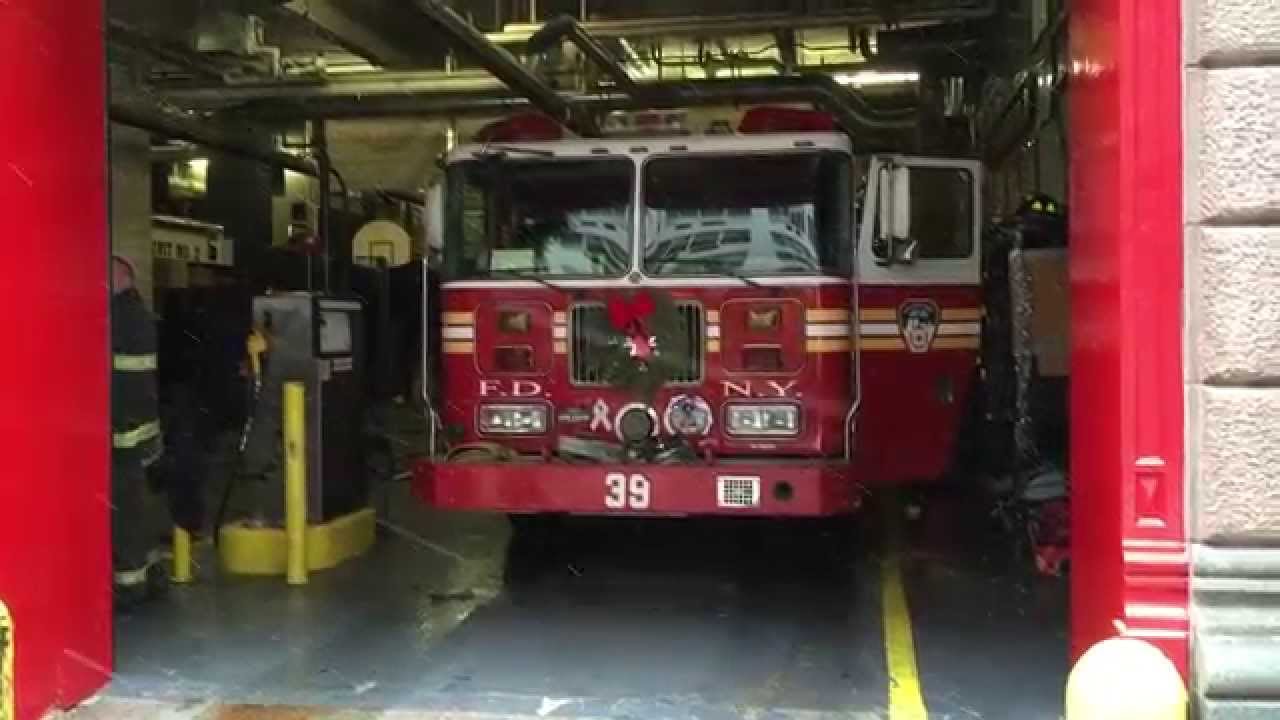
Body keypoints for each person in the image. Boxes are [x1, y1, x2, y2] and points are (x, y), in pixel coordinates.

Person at [110, 254, 167, 606]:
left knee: (125, 508)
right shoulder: (141, 314)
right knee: (140, 504)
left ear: (120, 278)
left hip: (122, 430)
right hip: (141, 427)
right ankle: (152, 572)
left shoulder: (116, 317)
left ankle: (130, 585)